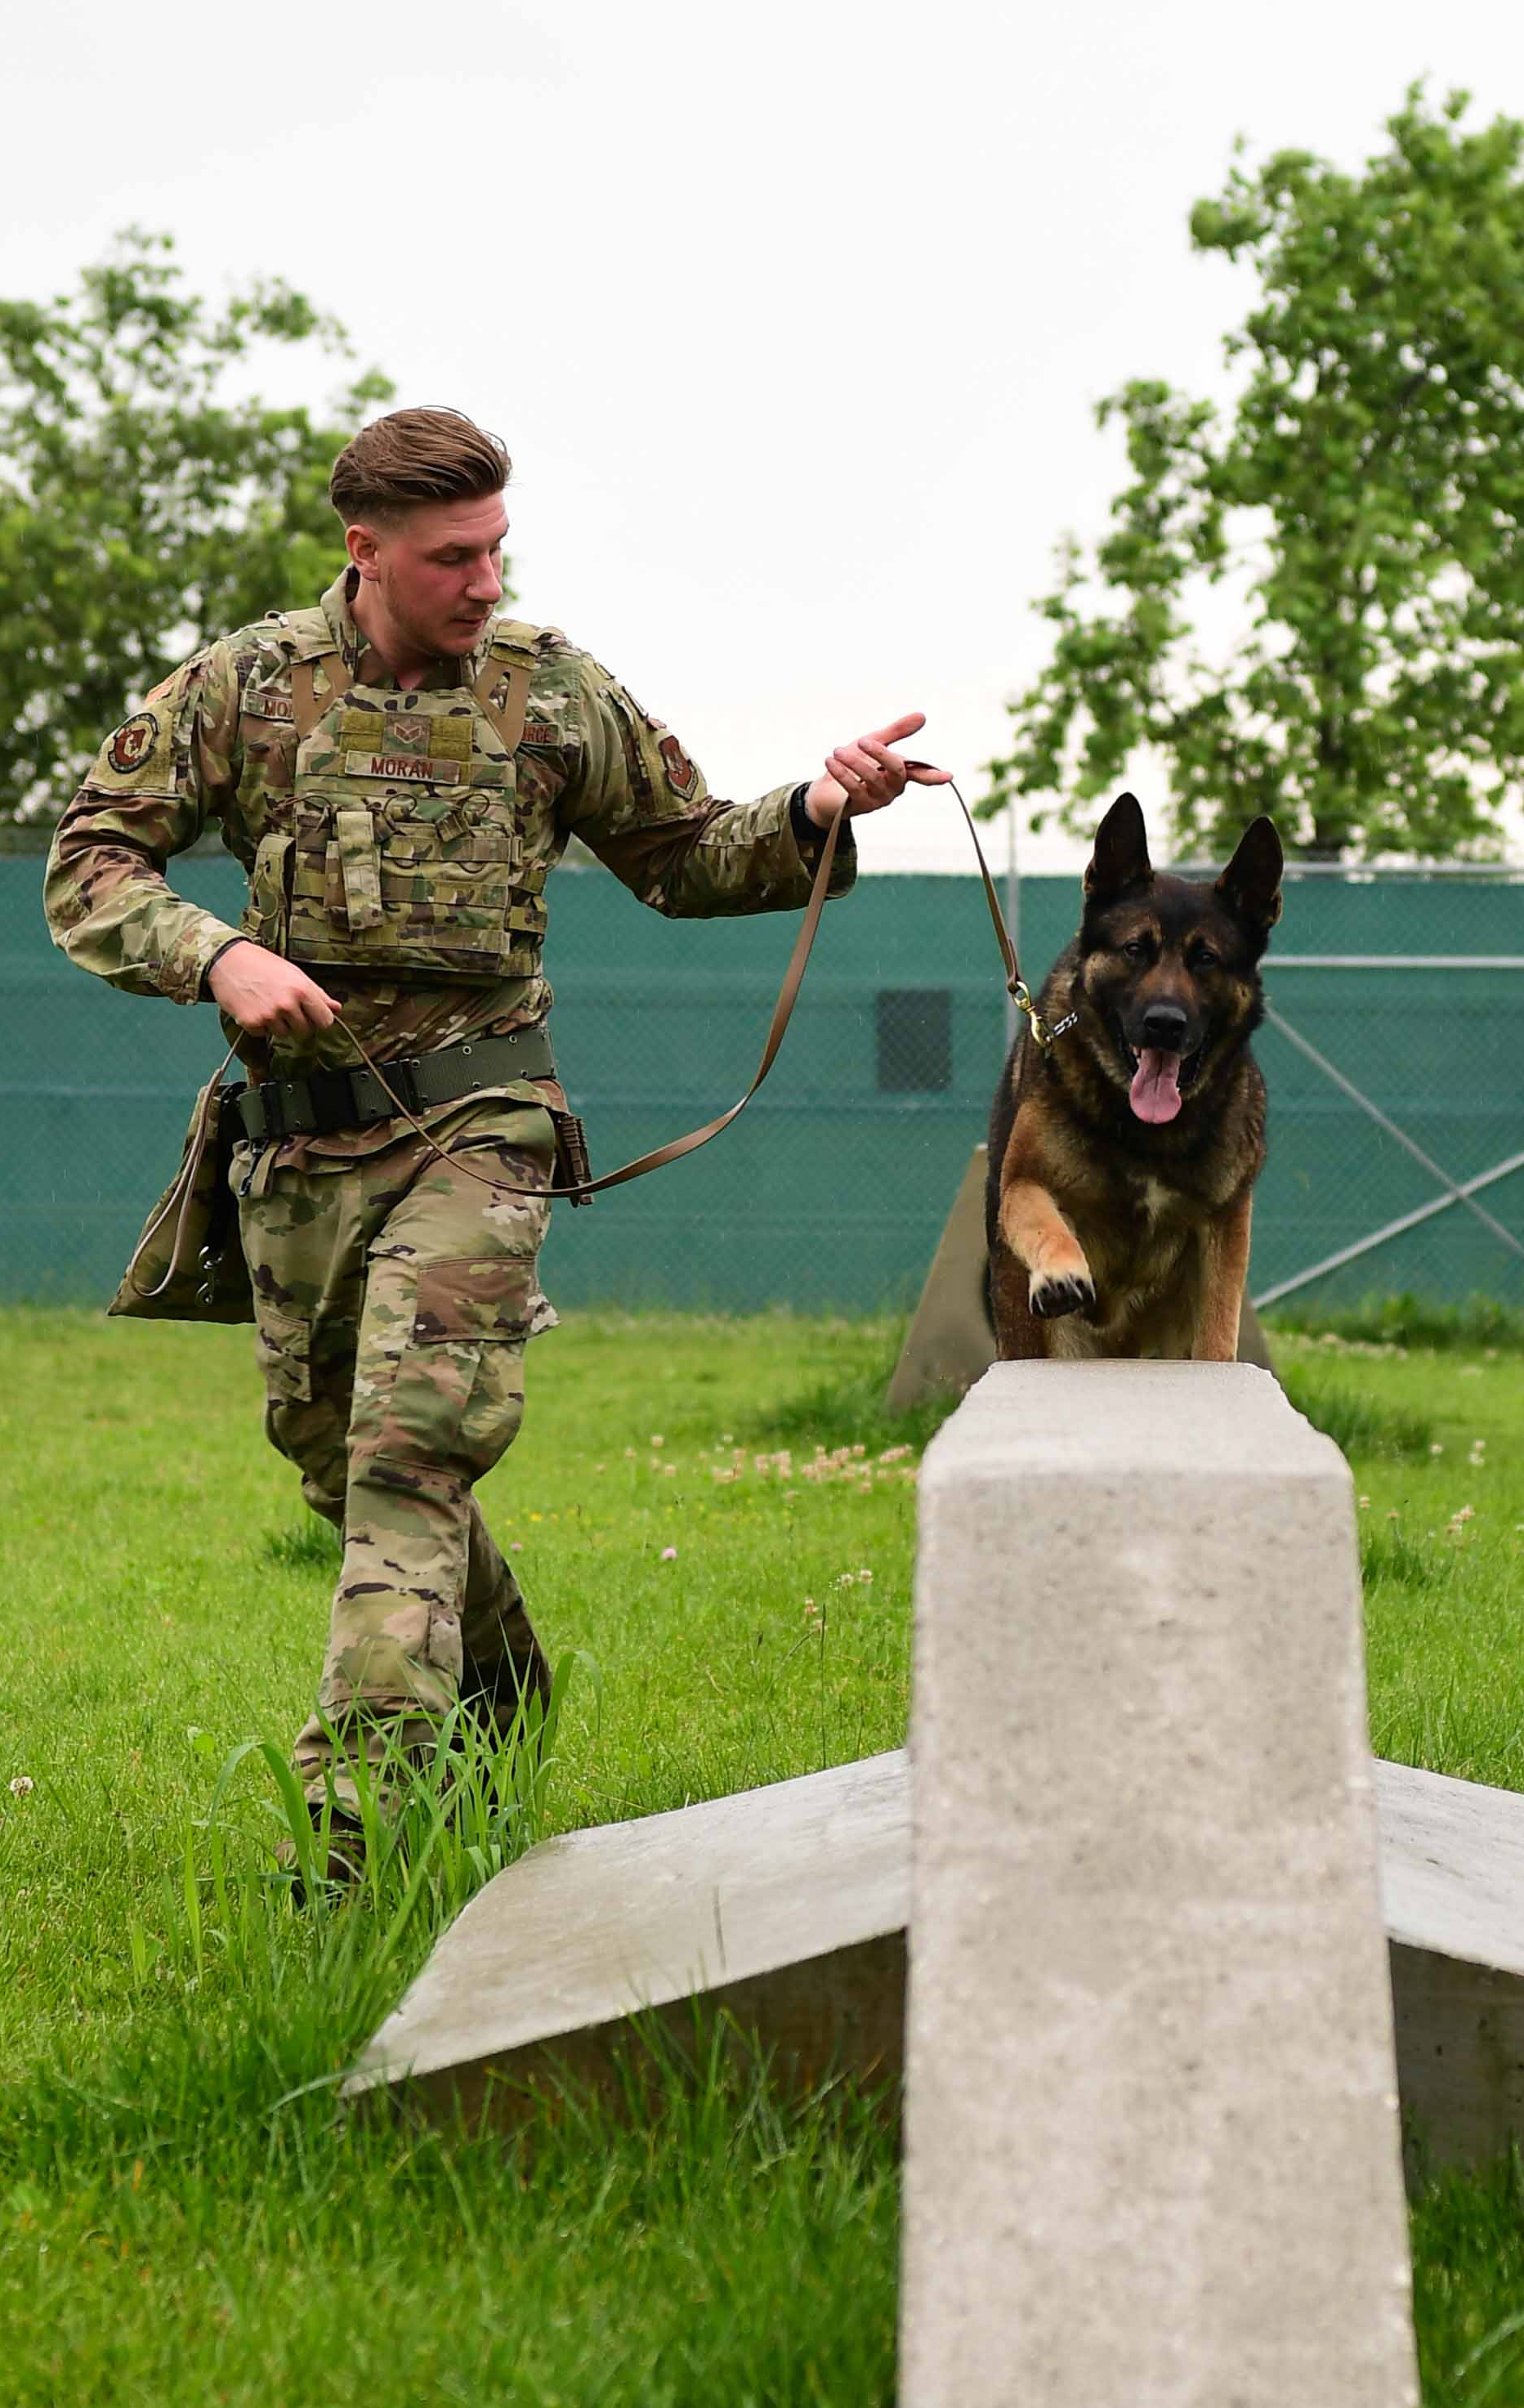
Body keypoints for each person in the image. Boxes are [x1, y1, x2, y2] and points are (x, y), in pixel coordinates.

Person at [46, 405, 944, 1848]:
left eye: (498, 551)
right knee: (332, 1448)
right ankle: (504, 1688)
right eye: (454, 557)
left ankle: (362, 1824)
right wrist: (215, 954)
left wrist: (819, 804)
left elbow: (686, 854)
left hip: (485, 1121)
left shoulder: (550, 691)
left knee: (411, 1446)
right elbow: (90, 862)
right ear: (367, 551)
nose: (485, 583)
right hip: (296, 1150)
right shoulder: (247, 688)